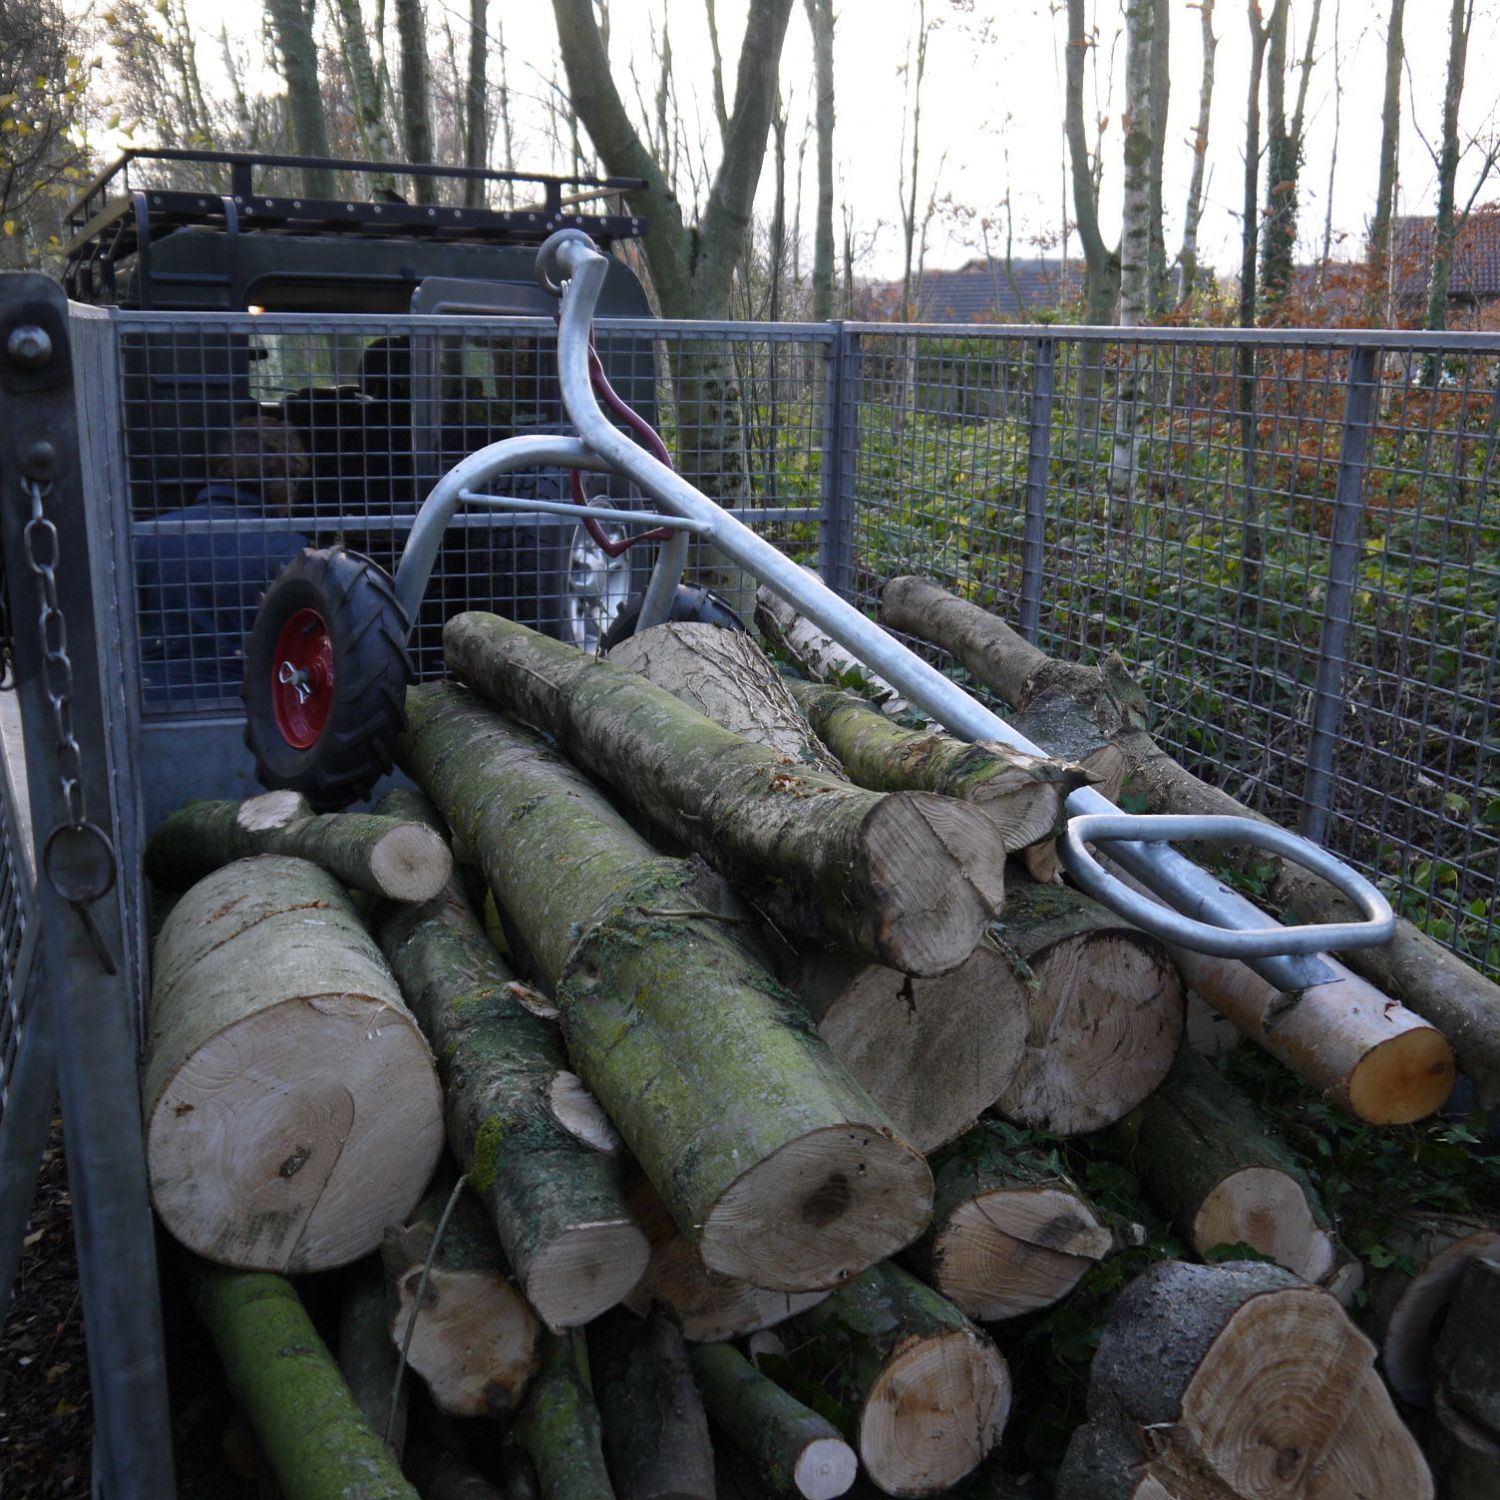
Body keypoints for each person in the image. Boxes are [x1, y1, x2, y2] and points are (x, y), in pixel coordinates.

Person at [134, 411, 312, 707]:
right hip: (252, 710)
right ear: (285, 483)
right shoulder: (290, 549)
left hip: (153, 702)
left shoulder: (148, 537)